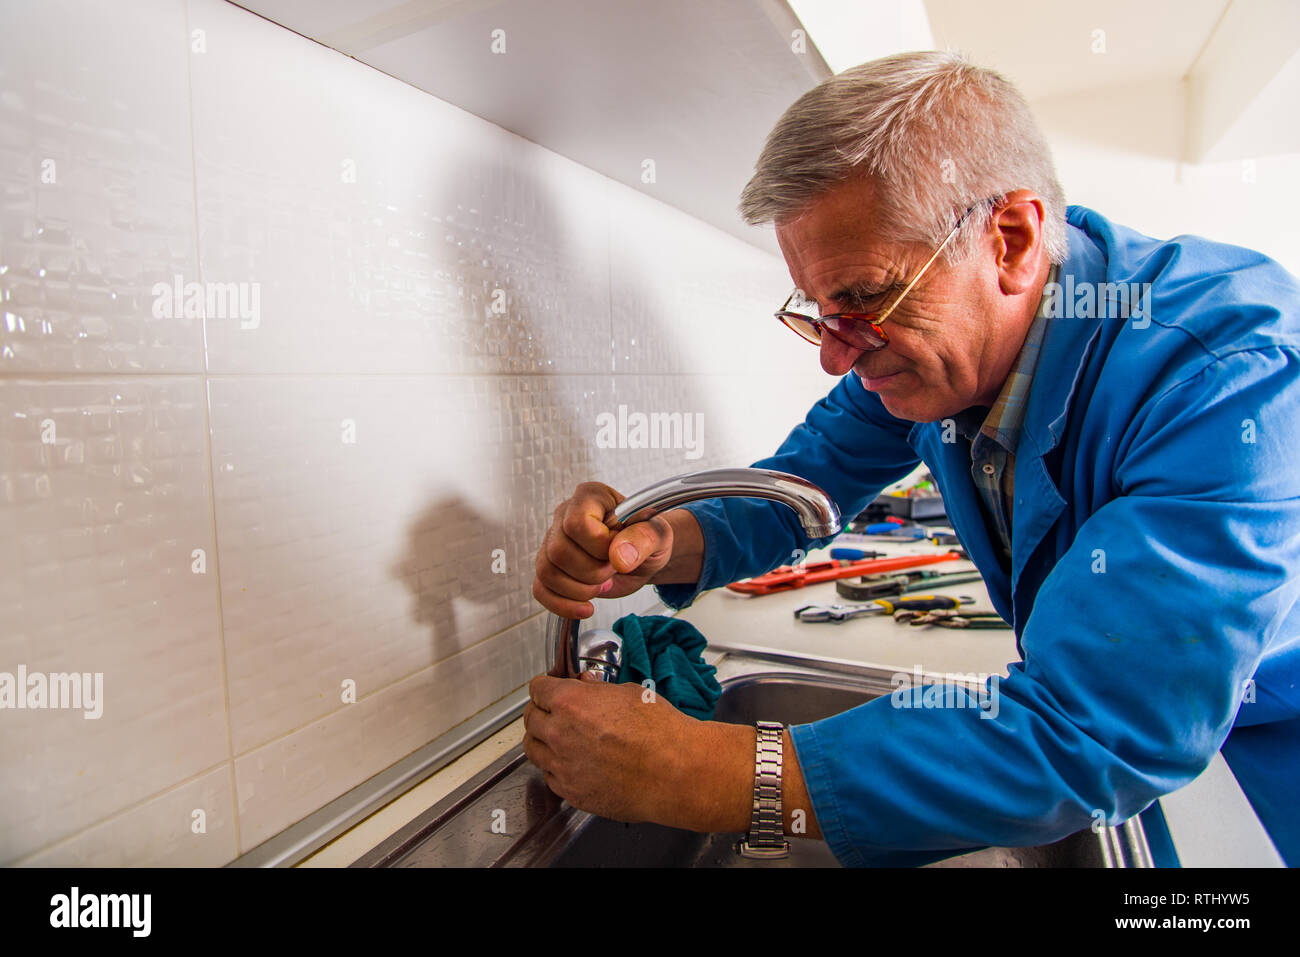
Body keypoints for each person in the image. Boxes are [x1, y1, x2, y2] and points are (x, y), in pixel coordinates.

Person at [525, 51, 1300, 866]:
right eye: (820, 312)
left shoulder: (1228, 382)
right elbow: (812, 475)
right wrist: (657, 543)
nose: (835, 356)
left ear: (1012, 240)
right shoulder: (947, 351)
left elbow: (1093, 731)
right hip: (1169, 713)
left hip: (1272, 744)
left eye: (863, 300)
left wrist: (713, 774)